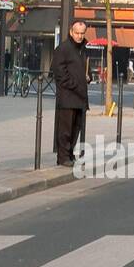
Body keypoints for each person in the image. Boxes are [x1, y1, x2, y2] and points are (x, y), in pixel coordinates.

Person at [52, 20, 90, 165]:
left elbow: (84, 68)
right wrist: (76, 84)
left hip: (80, 96)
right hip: (68, 95)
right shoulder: (63, 49)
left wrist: (88, 77)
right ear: (71, 32)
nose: (80, 36)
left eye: (82, 33)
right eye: (77, 33)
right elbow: (60, 73)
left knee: (76, 127)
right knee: (65, 129)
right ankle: (62, 157)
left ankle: (69, 154)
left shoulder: (82, 49)